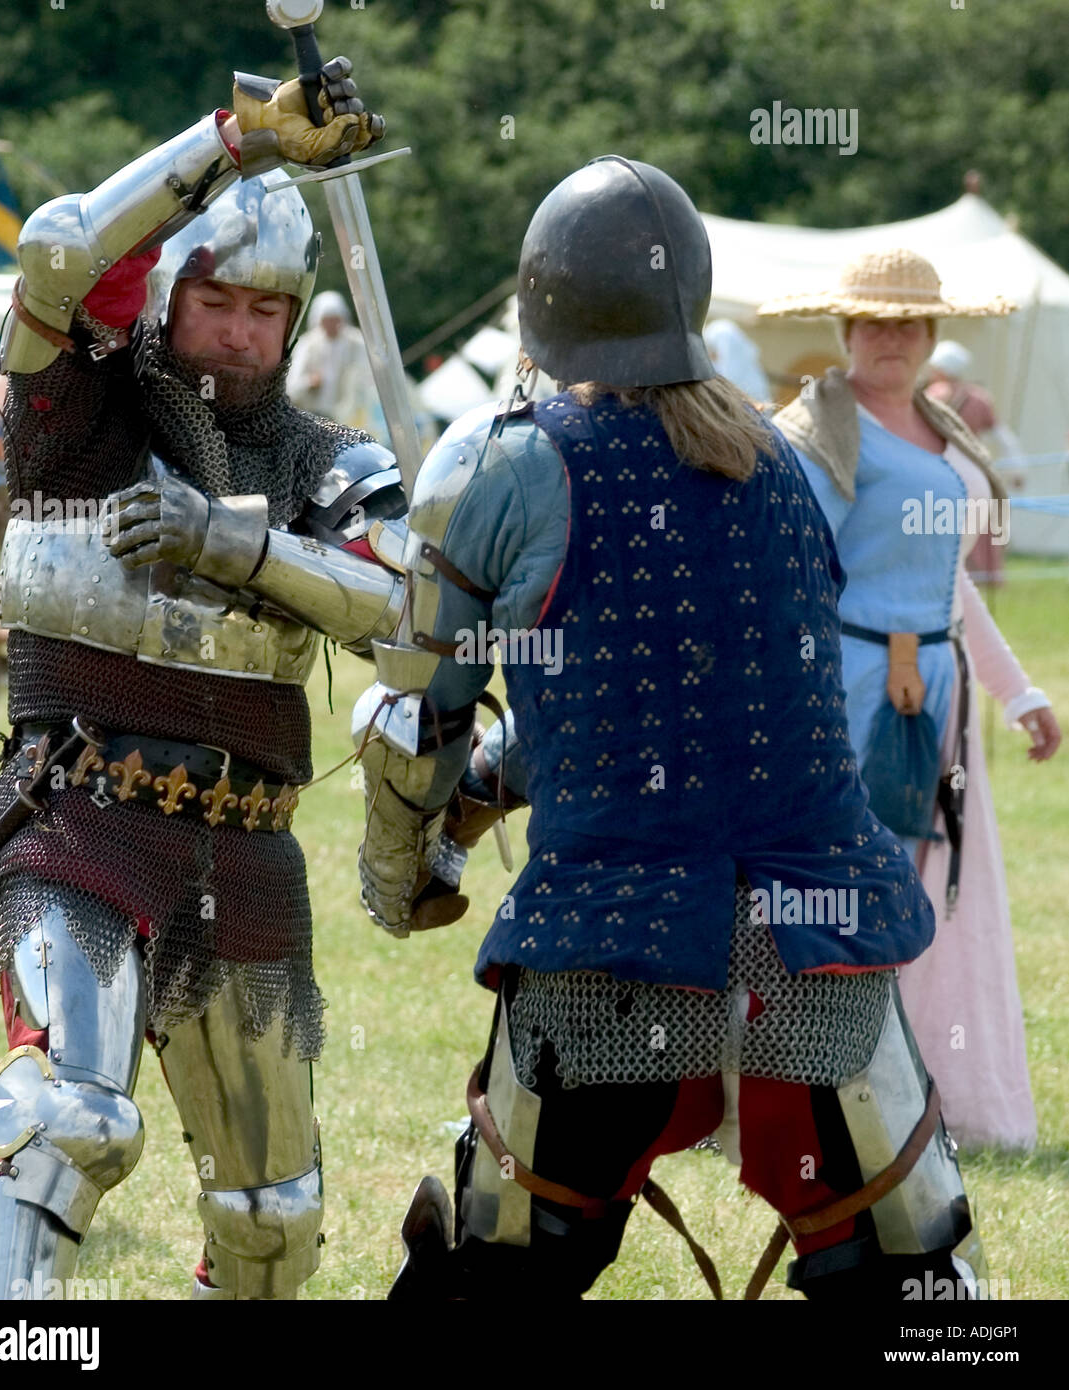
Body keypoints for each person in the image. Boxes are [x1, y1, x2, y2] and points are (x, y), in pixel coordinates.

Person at [350, 158, 990, 1300]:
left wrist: (400, 871)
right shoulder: (781, 462)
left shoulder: (502, 458)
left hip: (619, 932)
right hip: (815, 928)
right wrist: (501, 779)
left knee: (496, 1263)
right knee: (917, 1280)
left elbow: (418, 719)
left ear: (539, 301)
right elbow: (621, 707)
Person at [0, 64, 411, 1300]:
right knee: (70, 1123)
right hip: (80, 823)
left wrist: (235, 542)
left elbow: (409, 613)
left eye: (269, 312)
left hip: (246, 852)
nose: (243, 332)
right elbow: (56, 254)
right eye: (216, 300)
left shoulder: (327, 462)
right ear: (168, 293)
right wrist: (237, 140)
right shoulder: (79, 412)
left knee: (275, 1216)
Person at [760, 249, 1061, 1151]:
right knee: (851, 884)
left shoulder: (941, 426)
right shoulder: (817, 429)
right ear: (846, 331)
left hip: (941, 694)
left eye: (908, 323)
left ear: (932, 335)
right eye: (873, 321)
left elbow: (951, 589)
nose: (890, 337)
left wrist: (1018, 692)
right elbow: (793, 572)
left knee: (946, 892)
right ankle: (826, 1098)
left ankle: (951, 1099)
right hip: (851, 689)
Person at [925, 339, 1022, 587]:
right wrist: (1017, 469)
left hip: (937, 473)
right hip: (973, 473)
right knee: (976, 531)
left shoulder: (930, 396)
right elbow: (1003, 438)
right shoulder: (980, 398)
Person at [287, 288, 376, 429]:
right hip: (313, 420)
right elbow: (292, 387)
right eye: (327, 320)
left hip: (352, 420)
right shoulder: (307, 345)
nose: (331, 324)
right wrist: (310, 382)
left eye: (335, 319)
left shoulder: (356, 343)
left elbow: (369, 380)